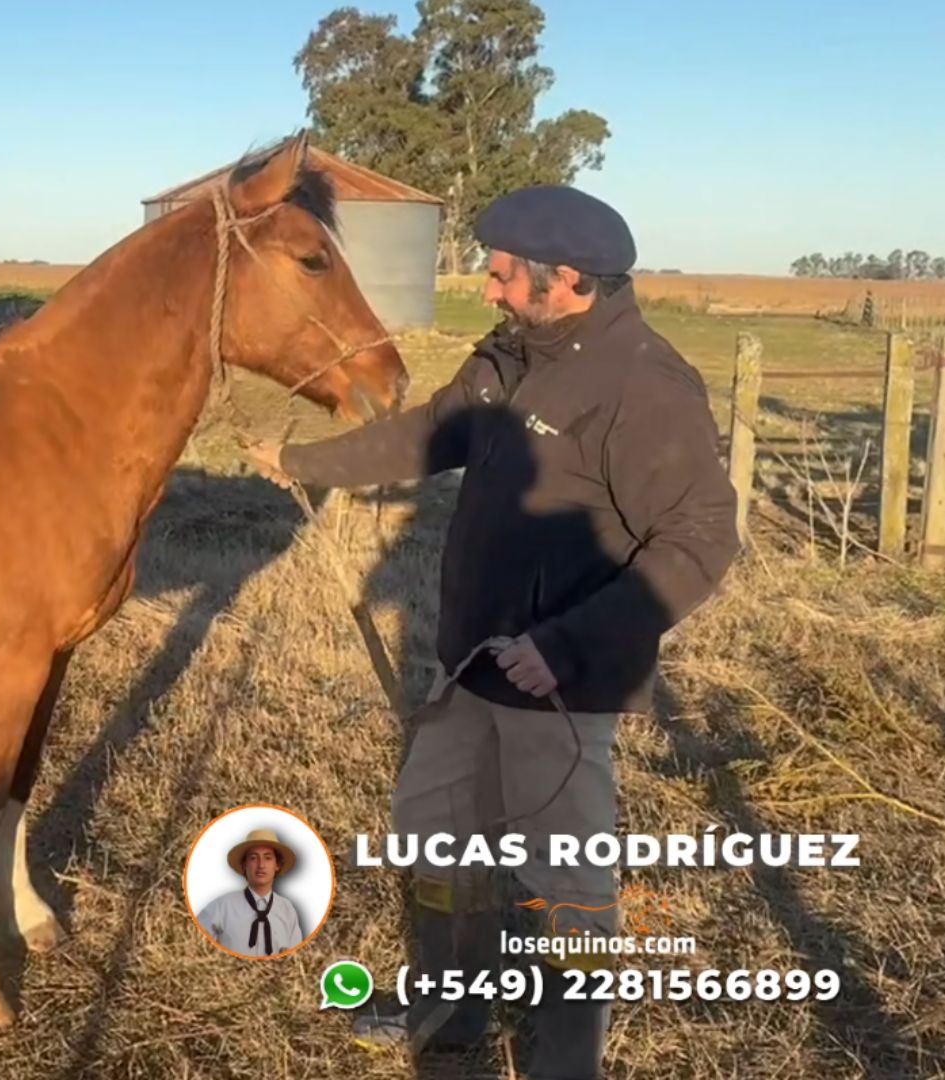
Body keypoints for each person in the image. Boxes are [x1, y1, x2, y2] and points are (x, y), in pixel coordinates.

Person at [247, 186, 739, 1078]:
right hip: (472, 664)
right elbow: (430, 435)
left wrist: (566, 647)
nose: (488, 288)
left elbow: (701, 541)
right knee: (434, 834)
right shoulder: (509, 355)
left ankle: (566, 1066)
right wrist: (303, 462)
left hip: (559, 685)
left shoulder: (643, 384)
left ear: (567, 281)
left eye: (504, 274)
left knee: (566, 883)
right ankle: (451, 1010)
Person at [194, 828, 308, 957]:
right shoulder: (222, 906)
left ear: (277, 865)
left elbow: (297, 957)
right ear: (244, 865)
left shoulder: (287, 910)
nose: (261, 865)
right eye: (253, 858)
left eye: (268, 858)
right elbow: (194, 943)